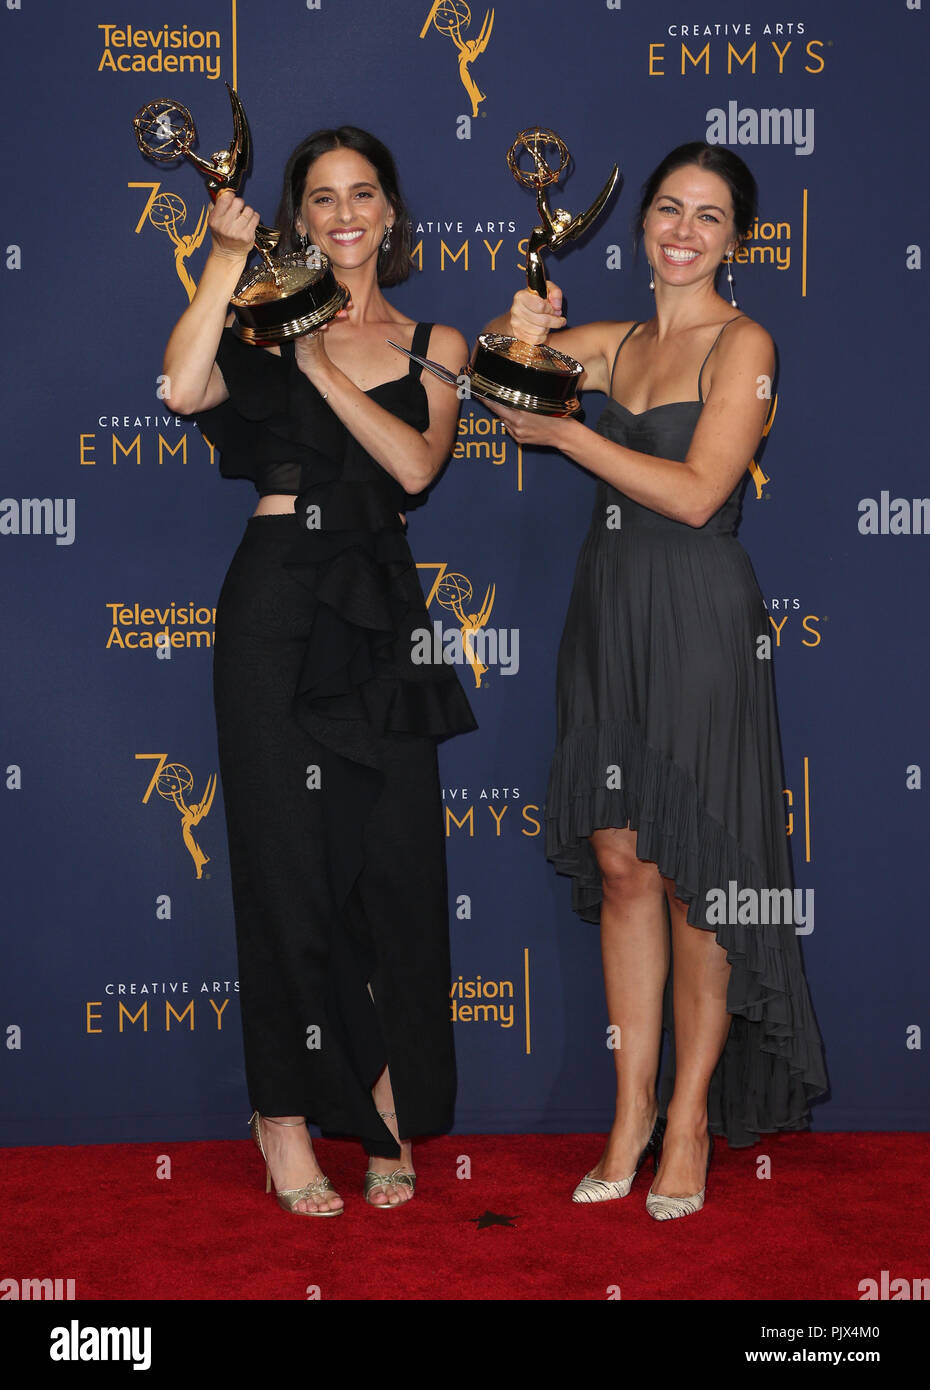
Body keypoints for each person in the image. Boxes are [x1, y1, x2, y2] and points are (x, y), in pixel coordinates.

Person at [484, 142, 827, 1219]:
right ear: (640, 228)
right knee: (623, 862)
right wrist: (522, 326)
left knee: (696, 876)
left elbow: (695, 492)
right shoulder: (612, 341)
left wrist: (571, 437)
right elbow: (501, 380)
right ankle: (628, 1112)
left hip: (698, 620)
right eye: (668, 209)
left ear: (738, 239)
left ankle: (688, 1121)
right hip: (608, 614)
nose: (683, 228)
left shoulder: (747, 340)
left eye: (709, 216)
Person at [162, 126, 475, 1215]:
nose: (346, 213)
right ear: (300, 216)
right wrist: (222, 259)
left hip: (381, 602)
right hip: (278, 599)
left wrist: (315, 364)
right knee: (283, 868)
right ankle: (282, 1118)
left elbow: (414, 462)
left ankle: (385, 1106)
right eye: (324, 197)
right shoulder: (257, 317)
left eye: (365, 193)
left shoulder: (438, 339)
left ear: (392, 212)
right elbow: (179, 385)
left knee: (392, 870)